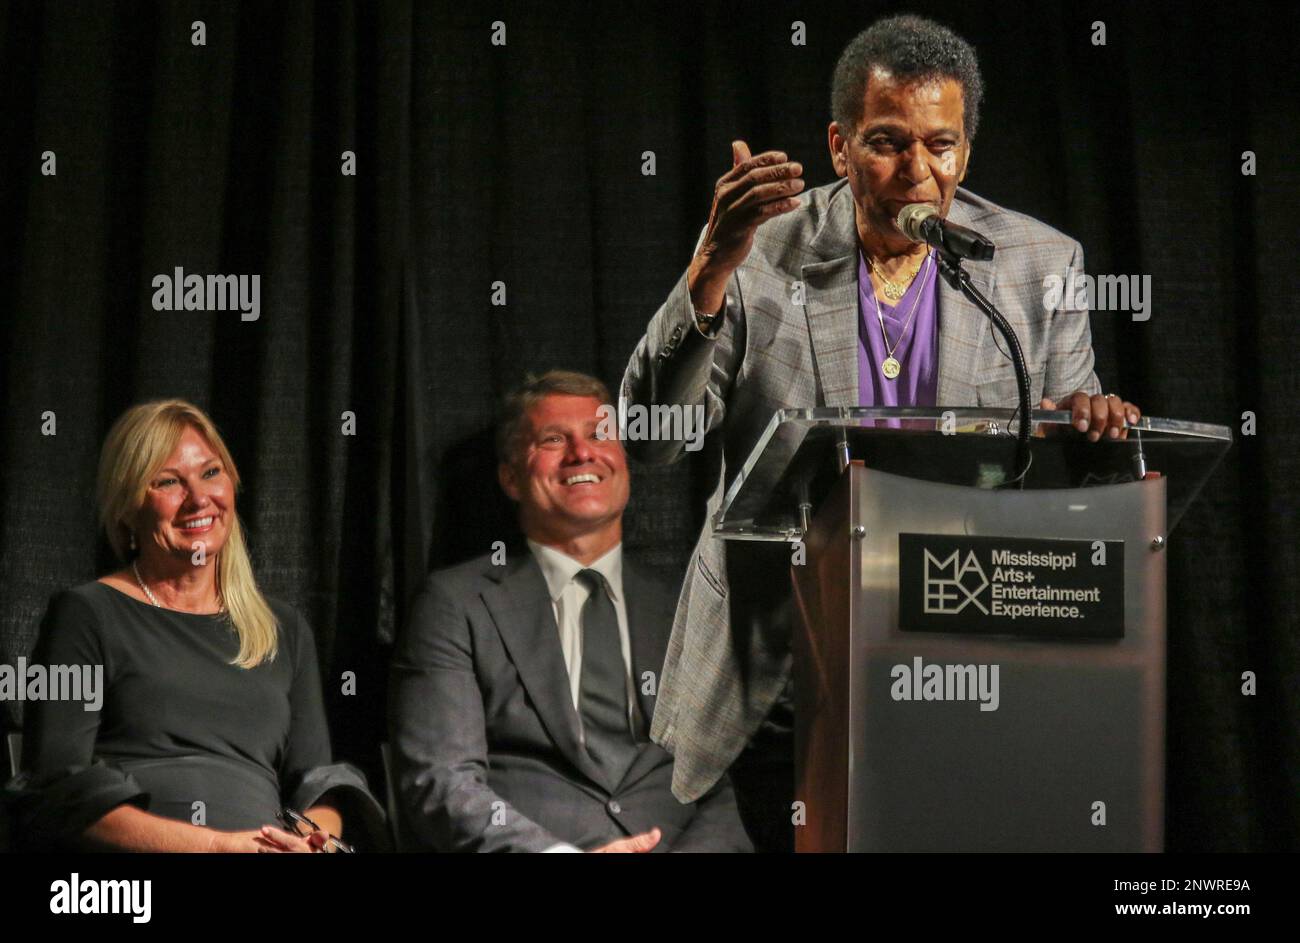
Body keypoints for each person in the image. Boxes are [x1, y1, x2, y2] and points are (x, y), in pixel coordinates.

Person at [620, 14, 1144, 851]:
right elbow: (649, 439)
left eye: (941, 146)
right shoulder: (758, 255)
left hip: (964, 658)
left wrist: (1099, 432)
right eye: (888, 143)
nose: (918, 173)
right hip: (783, 664)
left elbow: (1063, 473)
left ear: (966, 150)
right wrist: (709, 267)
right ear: (839, 145)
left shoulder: (1042, 264)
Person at [389, 370, 752, 852]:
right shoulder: (455, 604)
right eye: (554, 439)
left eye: (601, 434)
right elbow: (442, 778)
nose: (583, 453)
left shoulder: (688, 607)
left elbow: (719, 783)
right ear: (511, 477)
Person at [6, 400, 384, 851]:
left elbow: (317, 783)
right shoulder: (83, 614)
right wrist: (217, 848)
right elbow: (57, 790)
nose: (199, 499)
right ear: (127, 508)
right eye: (168, 482)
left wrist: (311, 844)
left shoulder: (285, 629)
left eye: (210, 473)